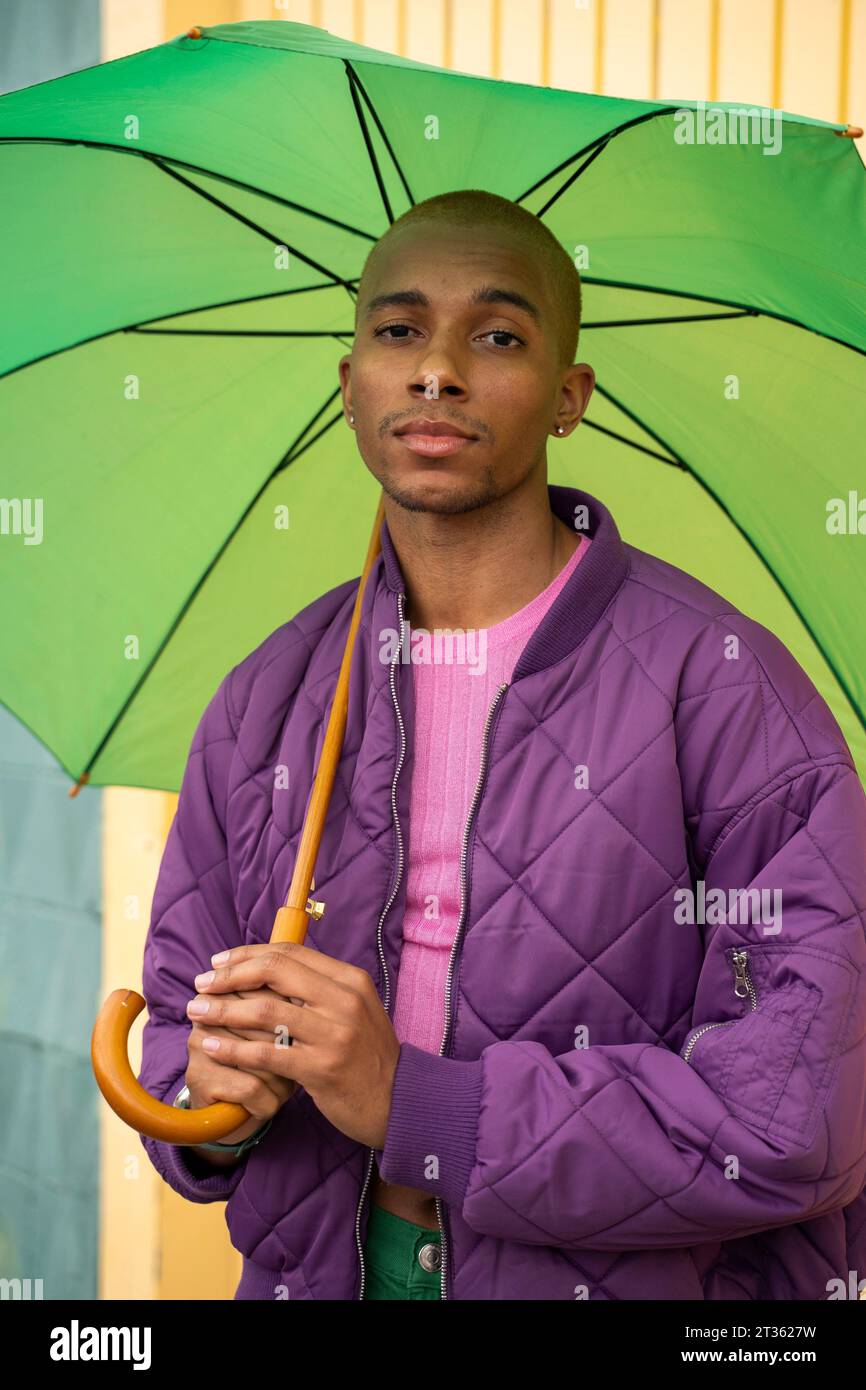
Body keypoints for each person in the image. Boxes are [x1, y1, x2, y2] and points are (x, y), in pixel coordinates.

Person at [138, 189, 866, 1301]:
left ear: (568, 396)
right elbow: (177, 1073)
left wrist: (415, 1103)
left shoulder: (725, 691)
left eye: (496, 334)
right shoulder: (269, 700)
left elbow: (792, 1119)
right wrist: (216, 1104)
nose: (436, 369)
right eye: (396, 331)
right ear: (350, 386)